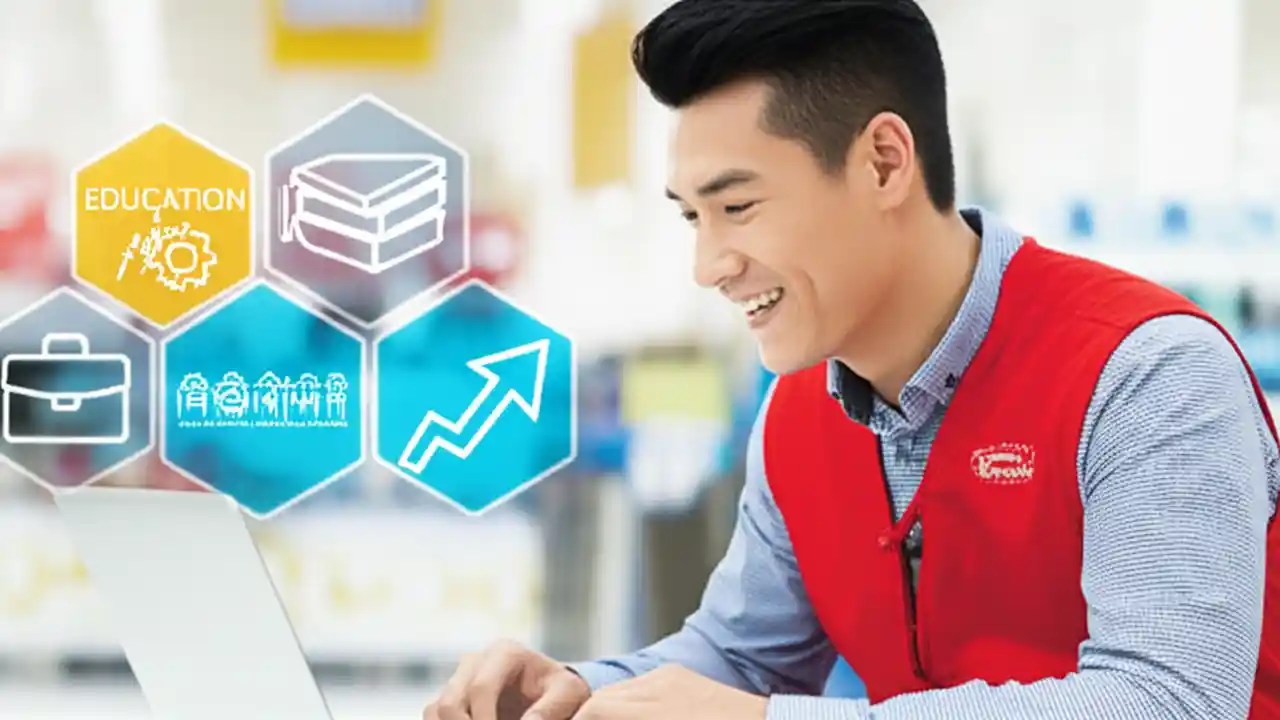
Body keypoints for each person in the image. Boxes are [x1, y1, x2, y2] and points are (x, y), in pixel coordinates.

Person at [422, 1, 1280, 718]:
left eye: (738, 207)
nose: (709, 265)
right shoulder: (800, 411)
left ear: (883, 163)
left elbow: (1168, 700)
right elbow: (739, 657)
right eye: (692, 216)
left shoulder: (1147, 375)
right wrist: (580, 688)